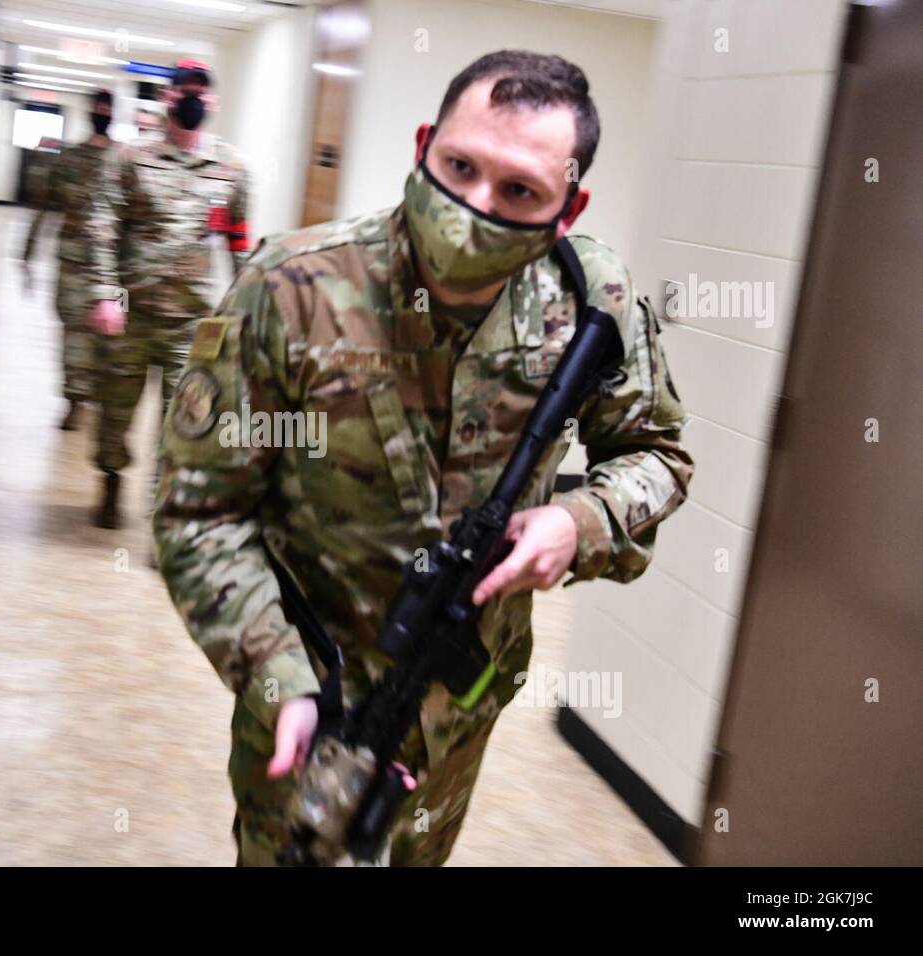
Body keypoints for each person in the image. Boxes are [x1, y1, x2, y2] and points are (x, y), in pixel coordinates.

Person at [152, 50, 695, 866]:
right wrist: (276, 673)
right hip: (312, 698)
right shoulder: (289, 287)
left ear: (568, 206)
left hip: (462, 701)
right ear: (422, 146)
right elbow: (201, 514)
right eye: (460, 167)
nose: (475, 206)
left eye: (518, 191)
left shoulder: (591, 298)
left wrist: (578, 521)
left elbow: (656, 454)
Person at [86, 60, 251, 529]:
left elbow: (238, 240)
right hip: (132, 313)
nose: (193, 99)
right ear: (166, 98)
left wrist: (245, 306)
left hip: (193, 321)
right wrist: (105, 295)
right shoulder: (129, 159)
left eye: (201, 91)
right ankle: (111, 477)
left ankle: (165, 521)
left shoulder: (231, 170)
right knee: (116, 410)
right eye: (183, 92)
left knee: (184, 425)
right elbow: (103, 229)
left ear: (214, 101)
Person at [21, 89, 120, 431]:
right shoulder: (68, 159)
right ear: (90, 111)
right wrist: (28, 253)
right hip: (73, 263)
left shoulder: (124, 161)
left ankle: (97, 395)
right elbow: (45, 207)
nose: (102, 112)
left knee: (110, 336)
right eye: (98, 107)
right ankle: (75, 400)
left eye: (107, 108)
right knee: (74, 333)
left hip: (115, 268)